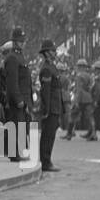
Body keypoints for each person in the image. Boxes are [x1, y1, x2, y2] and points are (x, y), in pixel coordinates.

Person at [0, 27, 33, 162]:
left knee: (21, 126)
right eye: (20, 41)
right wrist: (18, 99)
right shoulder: (12, 58)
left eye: (23, 41)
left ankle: (18, 152)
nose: (23, 43)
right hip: (17, 99)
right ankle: (14, 154)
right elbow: (12, 82)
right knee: (16, 125)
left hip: (23, 98)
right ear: (14, 42)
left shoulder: (19, 57)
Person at [36, 38, 64, 171]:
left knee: (50, 135)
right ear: (46, 53)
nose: (55, 52)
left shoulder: (51, 66)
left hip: (55, 105)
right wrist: (46, 109)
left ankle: (47, 159)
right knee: (47, 135)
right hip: (50, 107)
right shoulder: (46, 69)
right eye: (52, 50)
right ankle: (45, 161)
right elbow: (45, 91)